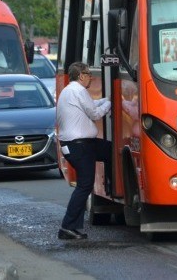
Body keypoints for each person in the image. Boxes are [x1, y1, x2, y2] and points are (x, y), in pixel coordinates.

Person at [56, 62, 111, 240]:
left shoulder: (69, 90)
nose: (91, 77)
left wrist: (106, 100)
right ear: (81, 76)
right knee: (84, 186)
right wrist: (110, 104)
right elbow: (95, 114)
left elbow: (91, 104)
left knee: (111, 151)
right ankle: (67, 227)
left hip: (80, 144)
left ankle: (111, 187)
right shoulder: (79, 91)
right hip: (80, 145)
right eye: (88, 74)